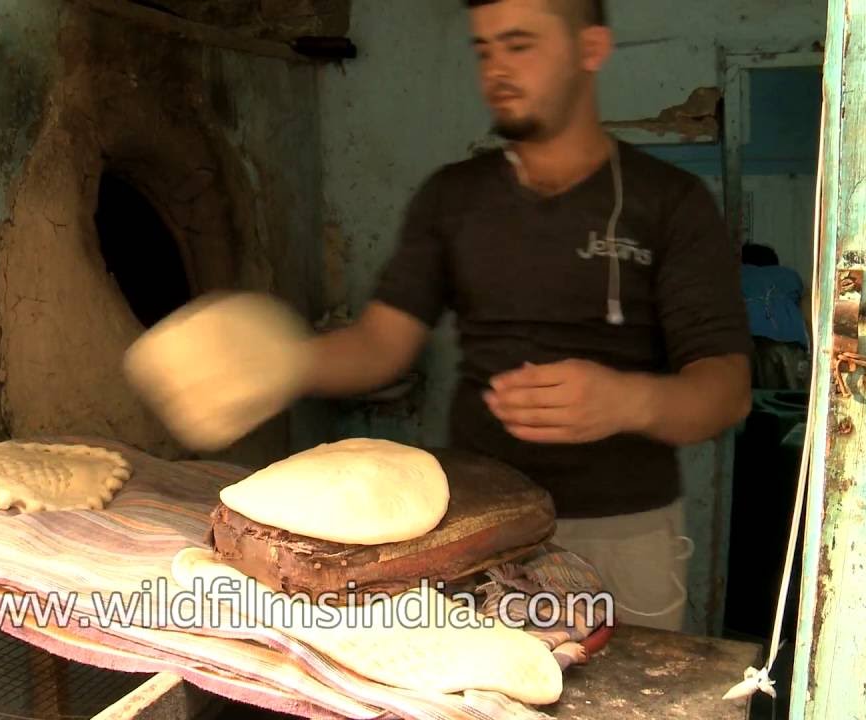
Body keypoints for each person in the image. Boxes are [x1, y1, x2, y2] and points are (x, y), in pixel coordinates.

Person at [295, 0, 753, 632]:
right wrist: (279, 361)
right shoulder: (451, 196)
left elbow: (726, 393)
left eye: (521, 45)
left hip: (624, 531)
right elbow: (380, 344)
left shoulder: (671, 202)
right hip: (476, 528)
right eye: (485, 50)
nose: (497, 70)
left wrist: (627, 401)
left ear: (590, 49)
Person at [740, 243, 812, 390]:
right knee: (790, 401)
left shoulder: (736, 274)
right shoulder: (791, 277)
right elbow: (809, 316)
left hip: (748, 344)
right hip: (790, 347)